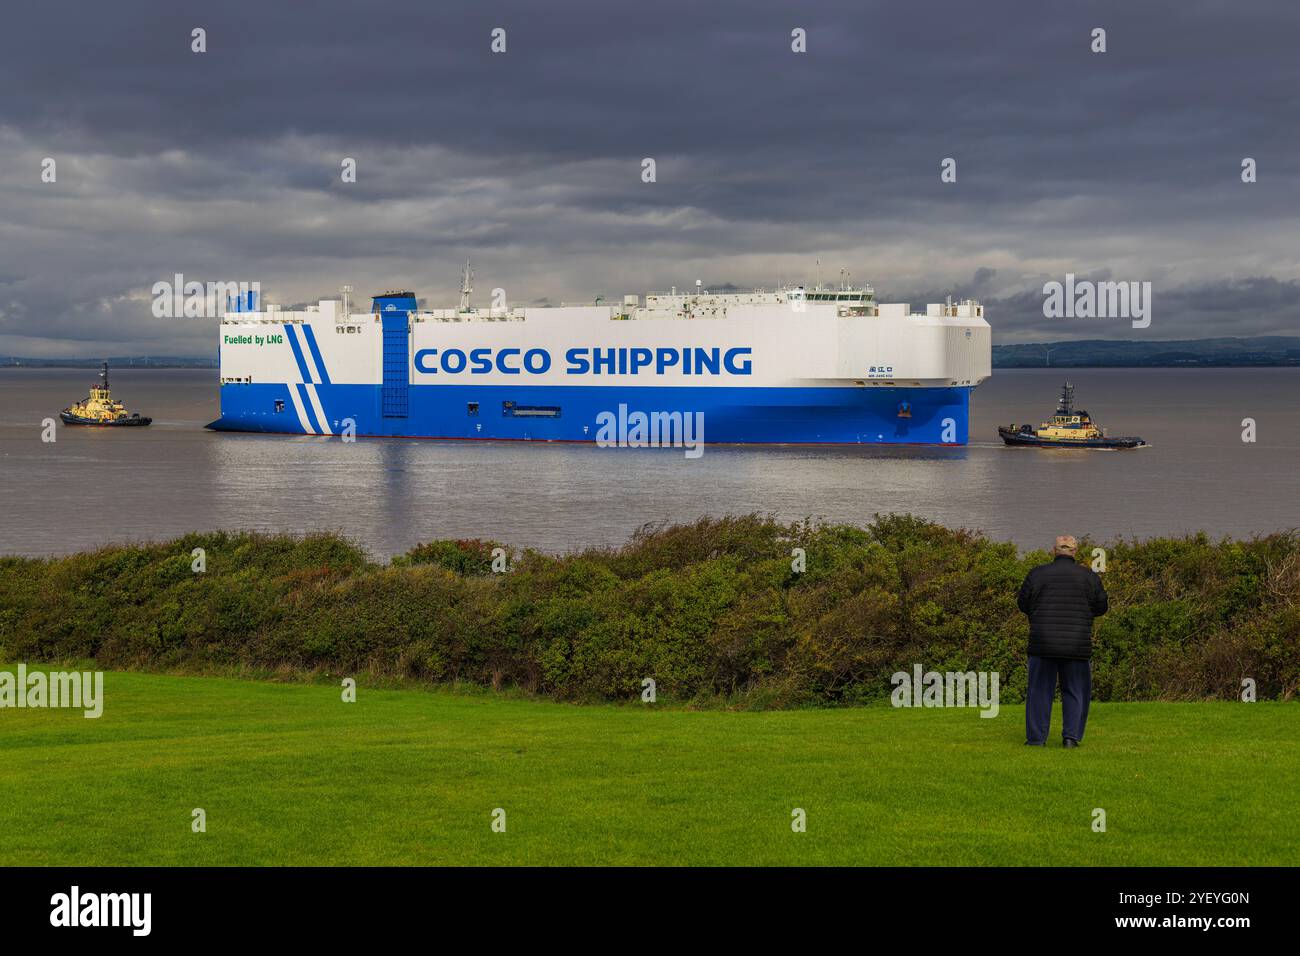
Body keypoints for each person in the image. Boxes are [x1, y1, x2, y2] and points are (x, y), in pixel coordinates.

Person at [1016, 535, 1108, 748]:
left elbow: (1023, 604)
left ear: (1054, 551)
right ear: (1075, 552)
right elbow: (1101, 607)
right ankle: (1070, 738)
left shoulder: (1037, 574)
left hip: (1042, 643)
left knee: (1039, 692)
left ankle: (1037, 739)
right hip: (1077, 644)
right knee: (1075, 691)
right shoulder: (1089, 577)